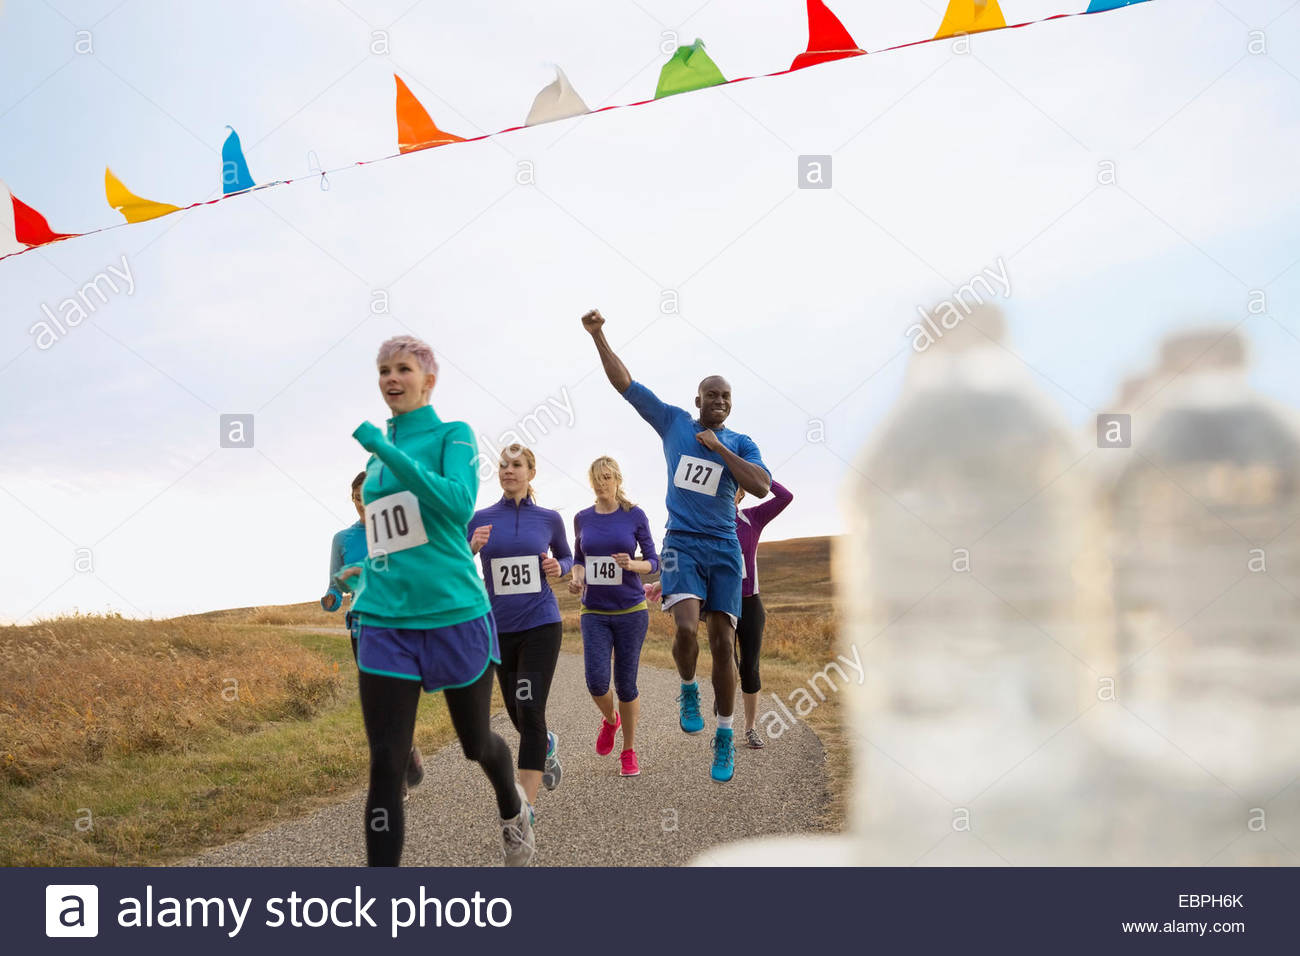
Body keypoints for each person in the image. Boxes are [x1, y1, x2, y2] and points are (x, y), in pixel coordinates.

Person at [349, 334, 534, 867]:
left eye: (403, 369)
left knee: (477, 743)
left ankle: (513, 808)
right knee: (386, 761)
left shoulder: (453, 435)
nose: (391, 378)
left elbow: (455, 505)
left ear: (428, 381)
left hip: (455, 613)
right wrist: (365, 571)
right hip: (386, 618)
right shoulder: (380, 464)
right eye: (383, 369)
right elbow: (393, 532)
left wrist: (383, 448)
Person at [581, 308, 771, 783]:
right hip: (680, 543)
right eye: (713, 395)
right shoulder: (673, 423)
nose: (720, 401)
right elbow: (626, 385)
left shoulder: (742, 443)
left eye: (727, 396)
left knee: (724, 642)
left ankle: (724, 737)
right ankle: (688, 687)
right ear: (698, 399)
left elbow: (763, 486)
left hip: (725, 547)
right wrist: (599, 335)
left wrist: (720, 449)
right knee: (687, 630)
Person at [468, 445, 573, 812]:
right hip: (499, 629)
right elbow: (455, 565)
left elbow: (566, 554)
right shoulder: (480, 518)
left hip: (541, 622)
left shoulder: (548, 519)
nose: (508, 470)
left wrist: (559, 568)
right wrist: (470, 548)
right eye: (503, 465)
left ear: (531, 472)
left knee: (529, 708)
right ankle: (546, 744)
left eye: (516, 465)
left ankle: (524, 811)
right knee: (516, 711)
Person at [320, 471, 425, 799]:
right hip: (362, 630)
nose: (361, 504)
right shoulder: (342, 539)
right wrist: (330, 599)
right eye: (356, 499)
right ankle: (403, 761)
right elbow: (334, 588)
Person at [569, 456, 659, 777]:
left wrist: (632, 565)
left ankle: (629, 751)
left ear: (618, 480)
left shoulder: (634, 516)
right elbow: (579, 558)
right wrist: (577, 577)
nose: (602, 482)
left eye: (607, 477)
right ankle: (611, 720)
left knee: (626, 685)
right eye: (596, 477)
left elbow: (653, 561)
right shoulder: (582, 518)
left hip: (631, 611)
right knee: (595, 681)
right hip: (594, 611)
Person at [732, 480, 794, 748]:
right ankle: (724, 721)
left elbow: (785, 496)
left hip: (749, 602)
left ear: (742, 492)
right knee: (725, 662)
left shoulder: (753, 518)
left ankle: (750, 728)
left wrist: (757, 475)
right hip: (720, 603)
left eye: (733, 485)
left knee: (749, 667)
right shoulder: (707, 521)